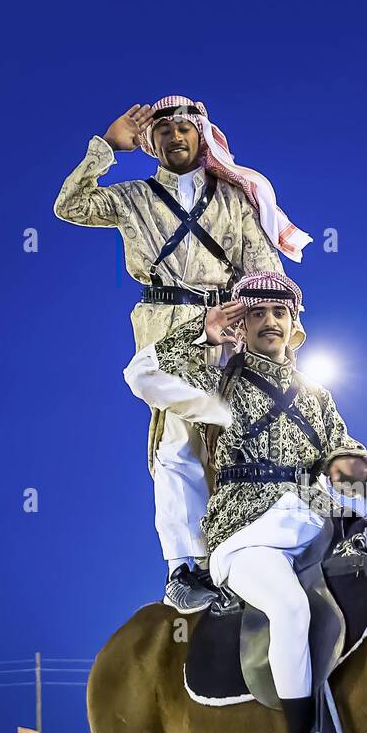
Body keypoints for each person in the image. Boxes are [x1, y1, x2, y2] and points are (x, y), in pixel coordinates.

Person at [55, 95, 311, 613]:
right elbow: (70, 207)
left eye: (184, 129)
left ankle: (263, 545)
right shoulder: (133, 197)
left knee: (258, 435)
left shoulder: (234, 201)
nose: (175, 137)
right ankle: (185, 568)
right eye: (164, 131)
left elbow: (265, 272)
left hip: (232, 328)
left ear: (203, 136)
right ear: (152, 142)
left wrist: (279, 341)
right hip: (165, 329)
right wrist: (106, 147)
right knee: (178, 446)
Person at [125, 269, 367, 733]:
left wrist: (353, 467)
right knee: (289, 608)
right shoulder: (221, 386)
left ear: (293, 323)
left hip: (316, 525)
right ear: (241, 324)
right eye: (256, 313)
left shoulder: (318, 396)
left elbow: (347, 450)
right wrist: (202, 332)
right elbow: (140, 376)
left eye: (278, 313)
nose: (269, 322)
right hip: (245, 538)